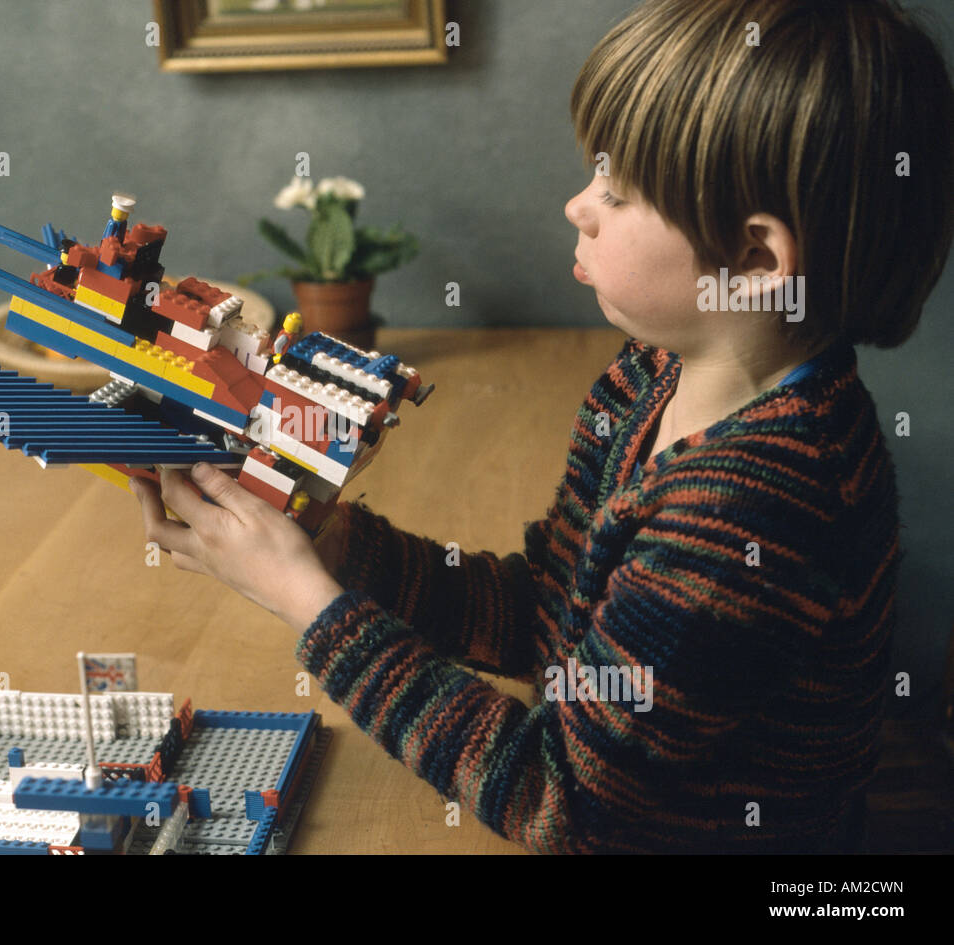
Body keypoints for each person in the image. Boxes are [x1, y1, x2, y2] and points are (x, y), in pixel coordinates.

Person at [130, 0, 954, 852]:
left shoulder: (759, 507)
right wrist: (335, 549)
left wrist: (311, 604)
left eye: (618, 191)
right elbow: (547, 620)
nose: (577, 206)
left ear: (752, 261)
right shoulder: (651, 375)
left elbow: (564, 803)